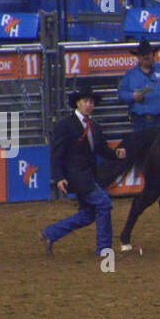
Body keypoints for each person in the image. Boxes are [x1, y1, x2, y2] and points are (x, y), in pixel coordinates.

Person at [40, 84, 124, 258]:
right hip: (77, 176)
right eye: (86, 101)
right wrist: (59, 177)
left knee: (88, 214)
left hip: (87, 176)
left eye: (91, 102)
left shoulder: (93, 125)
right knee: (103, 204)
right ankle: (104, 249)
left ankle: (51, 234)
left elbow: (101, 148)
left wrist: (115, 153)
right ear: (77, 103)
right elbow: (57, 153)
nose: (89, 104)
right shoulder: (66, 125)